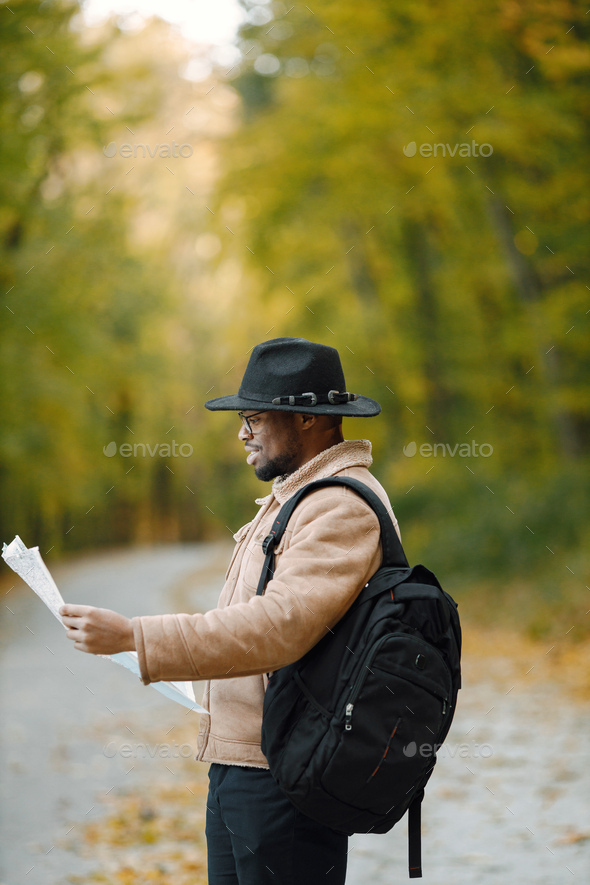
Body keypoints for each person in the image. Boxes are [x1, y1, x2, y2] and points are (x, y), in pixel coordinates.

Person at [60, 336, 401, 885]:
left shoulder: (339, 506)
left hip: (285, 776)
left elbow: (278, 627)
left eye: (255, 417)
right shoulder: (300, 498)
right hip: (249, 766)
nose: (242, 432)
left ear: (309, 420)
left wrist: (134, 635)